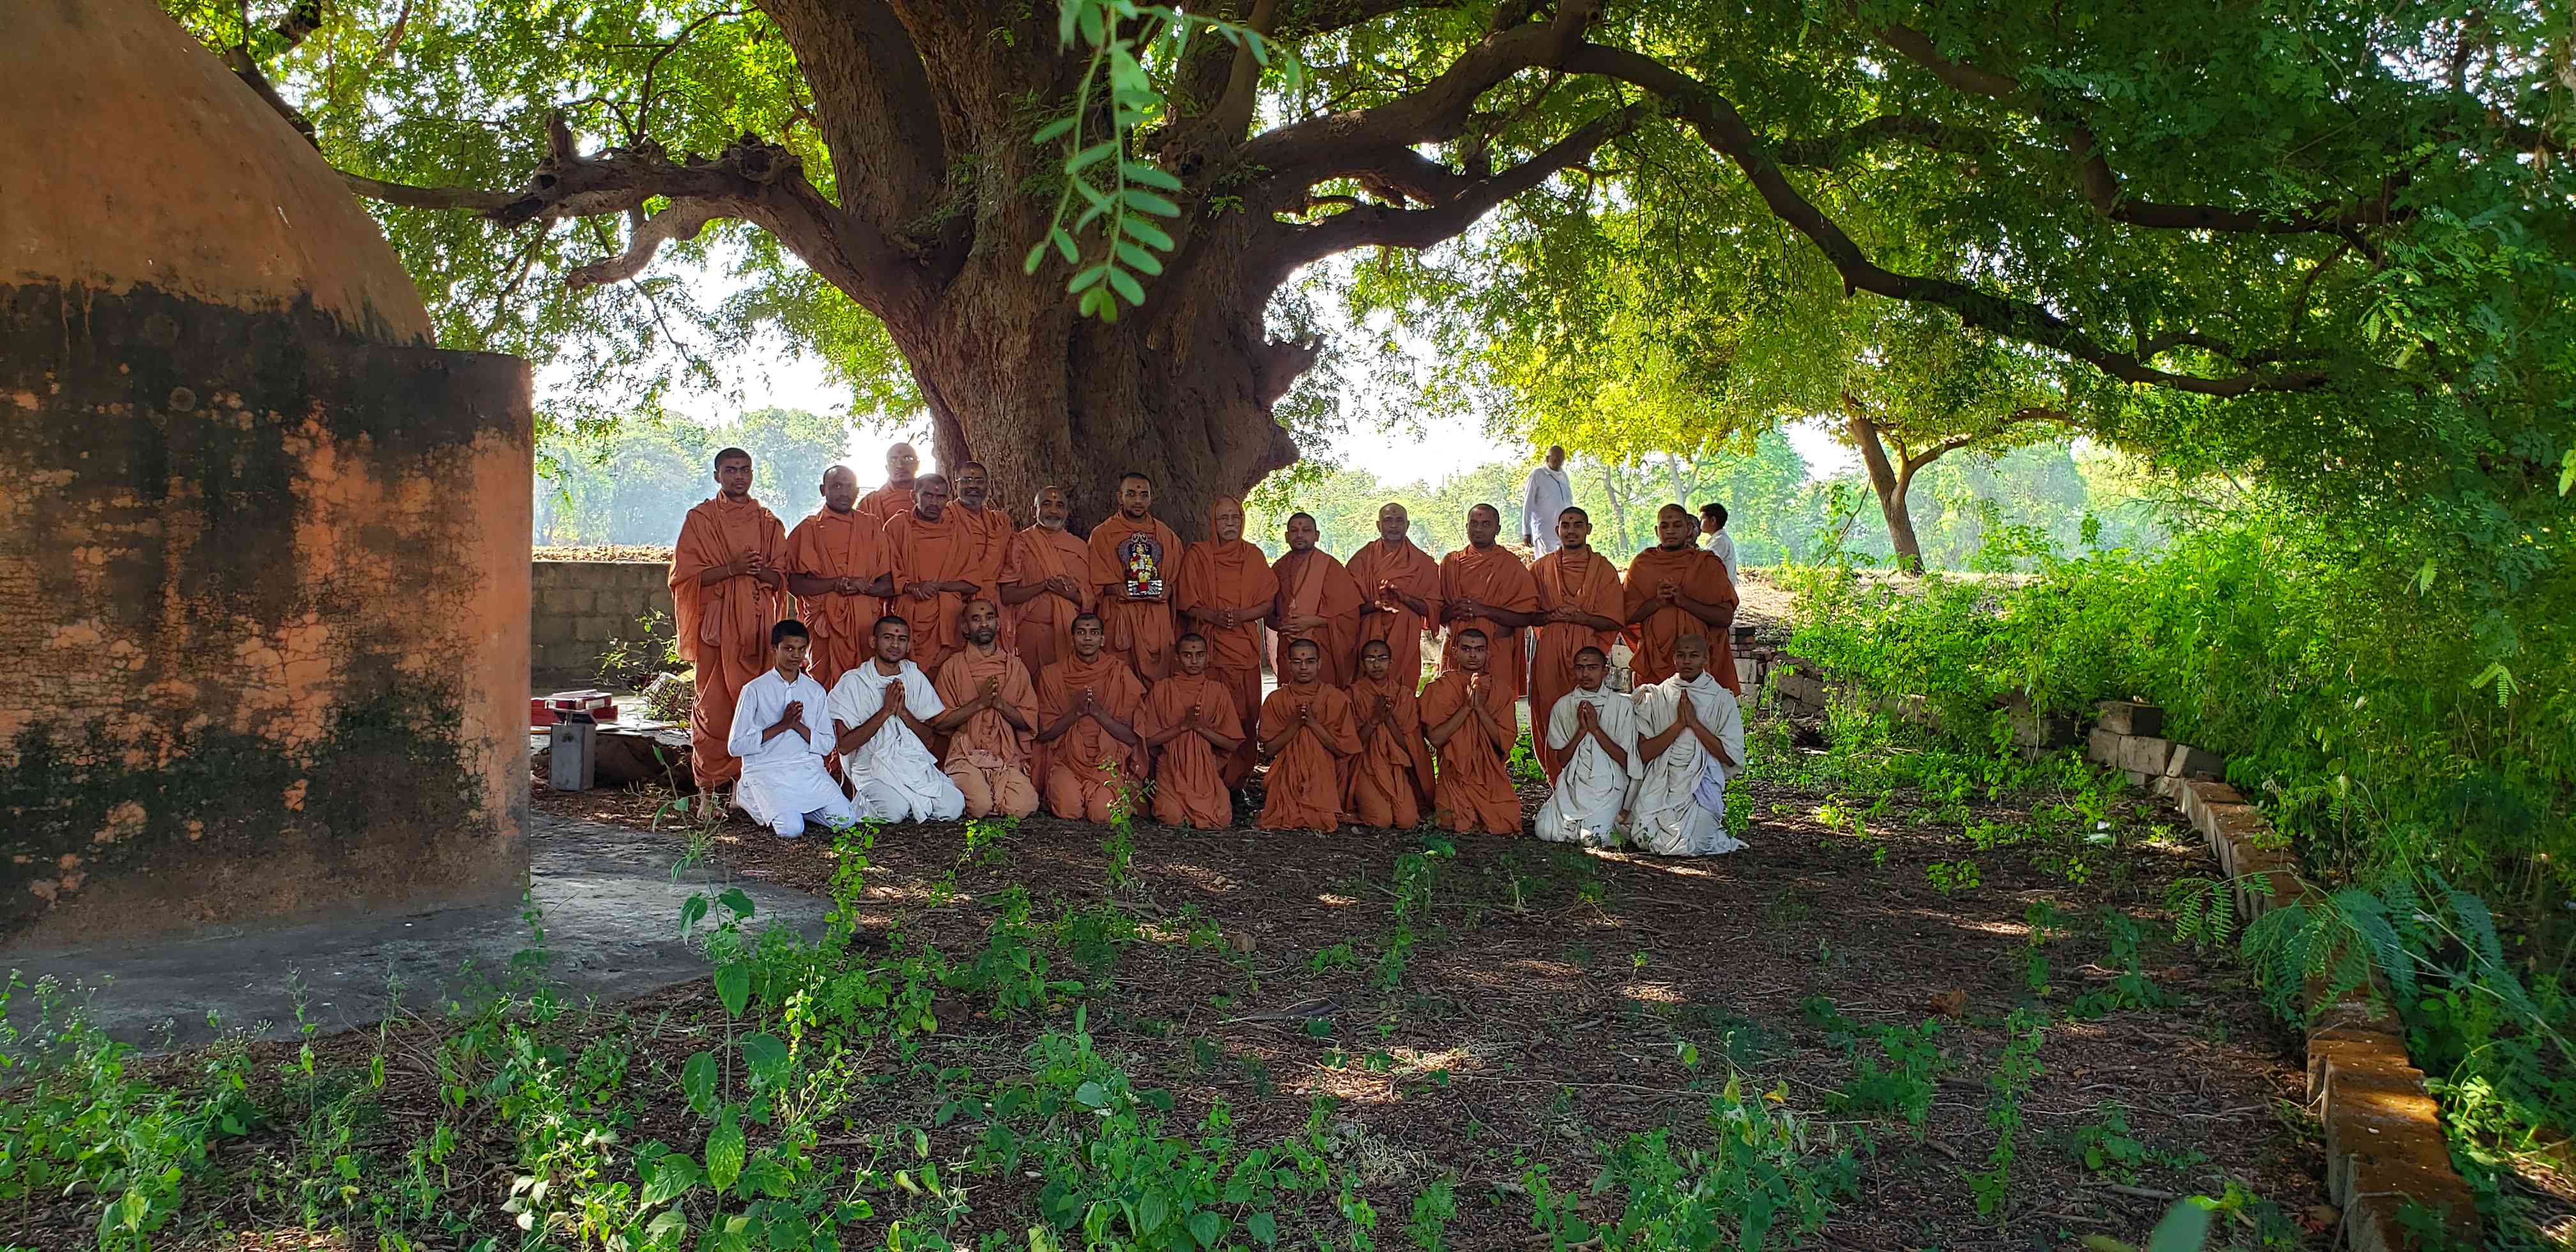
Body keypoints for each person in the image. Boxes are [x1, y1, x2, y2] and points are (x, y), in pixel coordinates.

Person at [670, 447, 788, 800]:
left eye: (745, 469)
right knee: (714, 707)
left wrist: (757, 572)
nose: (739, 476)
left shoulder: (768, 523)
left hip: (757, 630)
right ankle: (707, 790)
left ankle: (744, 789)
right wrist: (732, 570)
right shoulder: (701, 520)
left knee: (758, 706)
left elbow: (781, 578)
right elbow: (684, 577)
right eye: (731, 470)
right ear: (717, 476)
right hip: (718, 632)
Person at [725, 620, 859, 839]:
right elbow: (736, 746)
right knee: (791, 830)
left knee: (846, 820)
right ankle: (751, 796)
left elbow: (827, 745)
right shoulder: (754, 690)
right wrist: (782, 725)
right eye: (788, 649)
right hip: (767, 771)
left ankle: (796, 809)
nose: (796, 655)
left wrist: (797, 725)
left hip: (807, 770)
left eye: (801, 649)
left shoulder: (815, 691)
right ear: (774, 649)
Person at [1177, 496, 1276, 787]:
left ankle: (1238, 782)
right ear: (1214, 522)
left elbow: (1268, 603)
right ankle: (1209, 779)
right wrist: (1213, 617)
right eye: (1224, 518)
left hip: (1243, 648)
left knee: (1246, 715)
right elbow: (1186, 603)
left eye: (1235, 518)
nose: (1230, 523)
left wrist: (1242, 616)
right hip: (1208, 650)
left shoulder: (1254, 556)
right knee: (1211, 713)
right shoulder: (1198, 555)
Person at [828, 616, 967, 822]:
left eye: (902, 639)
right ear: (873, 642)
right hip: (870, 765)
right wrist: (885, 712)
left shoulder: (913, 677)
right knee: (894, 812)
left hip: (912, 763)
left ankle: (910, 805)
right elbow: (845, 746)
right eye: (888, 638)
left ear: (909, 645)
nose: (895, 645)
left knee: (954, 805)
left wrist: (903, 713)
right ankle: (867, 804)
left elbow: (929, 740)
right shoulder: (853, 682)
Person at [1528, 506, 1627, 781]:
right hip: (1550, 652)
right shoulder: (1540, 568)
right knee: (1549, 711)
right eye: (1566, 525)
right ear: (1557, 530)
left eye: (1578, 525)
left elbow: (1614, 620)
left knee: (1587, 712)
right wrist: (1551, 616)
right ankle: (1556, 781)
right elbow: (1526, 613)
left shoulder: (1604, 570)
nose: (1571, 530)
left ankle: (1590, 780)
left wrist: (1583, 618)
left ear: (1588, 529)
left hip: (1588, 653)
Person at [1625, 633, 1746, 856]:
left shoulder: (1721, 698)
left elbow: (1730, 757)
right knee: (1643, 839)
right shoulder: (1658, 696)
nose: (1687, 661)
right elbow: (1643, 753)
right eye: (1681, 655)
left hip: (1701, 785)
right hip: (1662, 782)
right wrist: (1679, 725)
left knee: (1698, 846)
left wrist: (1695, 724)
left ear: (1706, 659)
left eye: (1694, 656)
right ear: (1674, 659)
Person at [783, 464, 891, 692]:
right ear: (823, 490)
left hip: (865, 625)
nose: (844, 493)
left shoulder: (872, 527)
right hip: (826, 626)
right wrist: (835, 584)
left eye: (849, 487)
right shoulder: (808, 530)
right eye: (837, 486)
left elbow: (889, 584)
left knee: (867, 687)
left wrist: (863, 587)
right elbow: (794, 583)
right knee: (825, 688)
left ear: (857, 491)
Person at [931, 599, 1040, 819]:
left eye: (989, 618)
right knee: (980, 805)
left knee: (1024, 806)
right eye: (976, 619)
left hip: (1004, 756)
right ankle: (984, 796)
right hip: (965, 753)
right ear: (965, 627)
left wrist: (999, 704)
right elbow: (940, 722)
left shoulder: (1015, 668)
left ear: (998, 624)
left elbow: (1029, 721)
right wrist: (980, 704)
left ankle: (991, 794)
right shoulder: (953, 667)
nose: (983, 624)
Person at [1036, 613, 1147, 822]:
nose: (1088, 638)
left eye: (1094, 633)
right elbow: (1044, 734)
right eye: (1081, 632)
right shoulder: (1052, 675)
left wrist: (1097, 713)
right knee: (1068, 810)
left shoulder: (1120, 673)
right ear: (1072, 639)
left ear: (1102, 640)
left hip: (1107, 761)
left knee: (1102, 813)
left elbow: (1132, 738)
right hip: (1067, 760)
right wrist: (1077, 712)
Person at [1416, 629, 1523, 836]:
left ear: (1488, 654)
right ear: (1455, 652)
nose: (1473, 655)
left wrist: (1480, 709)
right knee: (1450, 820)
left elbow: (1504, 742)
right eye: (1466, 649)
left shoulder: (1501, 691)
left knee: (1507, 821)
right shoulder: (1440, 689)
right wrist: (1466, 708)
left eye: (1479, 650)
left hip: (1489, 776)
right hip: (1454, 776)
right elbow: (1436, 739)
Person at [1626, 503, 1740, 694]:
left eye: (1677, 525)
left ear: (1689, 529)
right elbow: (1626, 617)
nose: (1670, 531)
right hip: (1654, 662)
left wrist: (1685, 602)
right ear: (1656, 531)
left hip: (1696, 665)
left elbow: (1725, 617)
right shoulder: (1642, 565)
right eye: (1665, 526)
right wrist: (1657, 602)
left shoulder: (1707, 565)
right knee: (1653, 711)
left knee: (1697, 711)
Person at [1135, 633, 1245, 829]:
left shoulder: (1218, 692)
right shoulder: (1162, 690)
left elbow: (1232, 744)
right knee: (1171, 817)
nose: (1194, 661)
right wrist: (1182, 727)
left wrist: (1201, 728)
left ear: (1208, 657)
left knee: (1221, 818)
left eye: (1199, 655)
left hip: (1206, 771)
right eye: (1187, 655)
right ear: (1177, 658)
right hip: (1170, 768)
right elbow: (1147, 741)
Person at [1533, 646, 1639, 848]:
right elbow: (1562, 760)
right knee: (1545, 830)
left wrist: (1596, 730)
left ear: (1605, 671)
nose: (1585, 674)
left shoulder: (1622, 706)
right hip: (1574, 783)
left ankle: (1613, 822)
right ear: (1574, 671)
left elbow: (1626, 760)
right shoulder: (1563, 706)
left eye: (1592, 668)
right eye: (1580, 668)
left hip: (1608, 784)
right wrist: (1581, 731)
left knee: (1593, 838)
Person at [882, 471, 985, 675]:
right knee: (906, 679)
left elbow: (972, 583)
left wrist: (939, 587)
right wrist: (910, 587)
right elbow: (883, 577)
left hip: (949, 620)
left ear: (948, 499)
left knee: (947, 679)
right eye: (928, 495)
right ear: (914, 496)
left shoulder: (958, 531)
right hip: (908, 619)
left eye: (940, 497)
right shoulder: (897, 527)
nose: (934, 503)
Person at [1438, 503, 1542, 701]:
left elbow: (1526, 617)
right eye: (1474, 524)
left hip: (1496, 651)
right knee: (1452, 707)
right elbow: (1436, 614)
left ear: (1497, 529)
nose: (1478, 529)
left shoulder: (1511, 566)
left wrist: (1483, 611)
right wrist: (1454, 611)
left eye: (1486, 524)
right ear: (1467, 526)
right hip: (1458, 651)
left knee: (1495, 710)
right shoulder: (1450, 564)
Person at [1087, 471, 1183, 682]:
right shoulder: (1103, 534)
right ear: (1120, 497)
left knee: (1159, 683)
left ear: (1151, 498)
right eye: (1131, 494)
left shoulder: (1167, 536)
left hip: (1156, 619)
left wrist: (1169, 589)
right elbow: (1094, 582)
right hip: (1121, 618)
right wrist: (1115, 588)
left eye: (1143, 495)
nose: (1138, 500)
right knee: (1120, 679)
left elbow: (1177, 579)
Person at [1255, 637, 1359, 830]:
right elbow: (1269, 750)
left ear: (1319, 664)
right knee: (1285, 817)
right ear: (1288, 664)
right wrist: (1296, 724)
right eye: (1297, 662)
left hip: (1326, 775)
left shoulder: (1335, 699)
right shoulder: (1277, 700)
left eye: (1310, 661)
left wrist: (1312, 724)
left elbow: (1343, 750)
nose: (1304, 668)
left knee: (1322, 820)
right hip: (1288, 778)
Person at [1000, 485, 1093, 676]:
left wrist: (1071, 595)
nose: (1053, 511)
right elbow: (1007, 595)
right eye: (1047, 504)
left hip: (1068, 632)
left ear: (1066, 512)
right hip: (1030, 634)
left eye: (1060, 506)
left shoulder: (1079, 547)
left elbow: (1090, 600)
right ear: (1033, 510)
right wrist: (1044, 586)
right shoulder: (1019, 543)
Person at [1345, 502, 1441, 685]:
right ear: (1378, 525)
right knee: (1365, 692)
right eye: (1388, 520)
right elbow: (1346, 608)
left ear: (1408, 525)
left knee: (1403, 693)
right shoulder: (1362, 560)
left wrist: (1404, 598)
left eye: (1399, 520)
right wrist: (1376, 605)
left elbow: (1434, 608)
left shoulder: (1424, 564)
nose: (1394, 525)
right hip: (1368, 638)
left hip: (1406, 640)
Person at [1345, 639, 1437, 829]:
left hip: (1396, 766)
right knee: (1382, 821)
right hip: (1364, 765)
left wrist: (1388, 719)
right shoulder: (1353, 695)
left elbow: (1409, 745)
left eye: (1382, 658)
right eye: (1370, 659)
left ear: (1391, 663)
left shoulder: (1403, 696)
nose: (1376, 664)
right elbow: (1350, 744)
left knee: (1407, 821)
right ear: (1362, 664)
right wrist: (1374, 720)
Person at [1267, 511, 1364, 687]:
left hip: (1322, 646)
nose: (1300, 535)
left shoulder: (1331, 567)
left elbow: (1350, 617)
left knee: (1324, 697)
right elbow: (1268, 611)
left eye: (1306, 530)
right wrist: (1282, 625)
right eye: (1294, 531)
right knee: (1289, 697)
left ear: (1317, 536)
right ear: (1287, 537)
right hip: (1289, 647)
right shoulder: (1278, 568)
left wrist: (1312, 622)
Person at [951, 461, 1016, 644]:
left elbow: (1010, 564)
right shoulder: (946, 518)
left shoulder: (999, 522)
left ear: (988, 486)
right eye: (966, 480)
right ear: (955, 484)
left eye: (979, 481)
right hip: (957, 600)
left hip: (992, 601)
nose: (973, 486)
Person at [1519, 444, 1574, 555]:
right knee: (1546, 564)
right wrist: (1526, 531)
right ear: (1547, 459)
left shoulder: (1564, 476)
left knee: (1564, 563)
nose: (1558, 462)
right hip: (1544, 532)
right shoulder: (1538, 475)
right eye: (1556, 458)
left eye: (1561, 459)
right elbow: (1528, 504)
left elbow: (1569, 502)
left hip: (1563, 532)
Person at [854, 440, 920, 524]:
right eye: (893, 460)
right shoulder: (870, 503)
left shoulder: (933, 496)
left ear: (917, 465)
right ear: (887, 468)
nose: (900, 465)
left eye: (907, 459)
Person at [1699, 502, 1738, 587]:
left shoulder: (1720, 541)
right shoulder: (1719, 540)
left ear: (1713, 520)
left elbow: (1706, 563)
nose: (1700, 522)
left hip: (1721, 591)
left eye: (1702, 519)